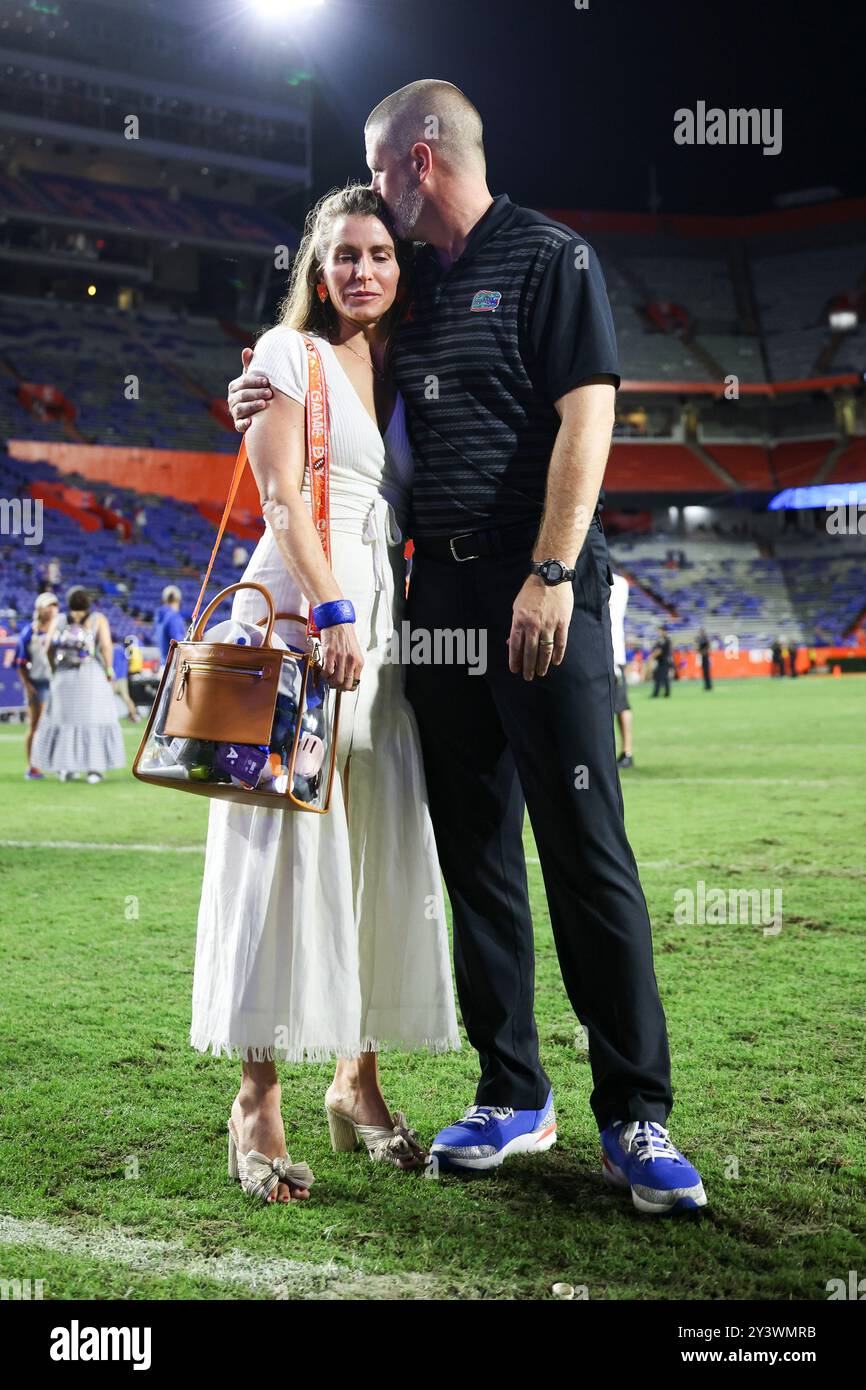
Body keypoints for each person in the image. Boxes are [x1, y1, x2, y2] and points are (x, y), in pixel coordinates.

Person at [228, 82, 706, 1214]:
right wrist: (262, 380)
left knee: (583, 842)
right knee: (471, 847)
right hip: (428, 588)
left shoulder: (552, 258)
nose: (375, 219)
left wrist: (547, 571)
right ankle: (511, 1090)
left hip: (531, 581)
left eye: (379, 169)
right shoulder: (414, 284)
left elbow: (585, 423)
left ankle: (634, 1111)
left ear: (420, 157)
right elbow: (321, 375)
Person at [195, 184, 460, 1205]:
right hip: (306, 608)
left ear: (400, 270)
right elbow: (277, 497)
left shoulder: (393, 366)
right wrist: (333, 610)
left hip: (373, 620)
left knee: (366, 845)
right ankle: (256, 1096)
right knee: (277, 845)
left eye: (380, 254)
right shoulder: (284, 353)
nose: (362, 270)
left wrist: (363, 614)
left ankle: (356, 1082)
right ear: (318, 269)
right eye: (343, 254)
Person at [32, 586, 125, 783]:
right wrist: (109, 670)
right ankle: (94, 769)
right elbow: (107, 647)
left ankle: (66, 768)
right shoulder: (98, 619)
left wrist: (54, 669)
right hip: (91, 675)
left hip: (64, 677)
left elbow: (48, 647)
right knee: (95, 720)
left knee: (64, 722)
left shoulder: (60, 620)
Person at [15, 590, 58, 779]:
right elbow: (20, 662)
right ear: (39, 609)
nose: (51, 609)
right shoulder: (30, 632)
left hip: (59, 682)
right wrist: (27, 685)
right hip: (38, 682)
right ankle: (32, 766)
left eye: (54, 605)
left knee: (60, 725)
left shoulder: (60, 630)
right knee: (35, 724)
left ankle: (59, 763)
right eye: (48, 605)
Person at [608, 572, 633, 768]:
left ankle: (626, 751)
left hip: (611, 653)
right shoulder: (622, 582)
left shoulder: (614, 583)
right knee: (620, 705)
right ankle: (626, 751)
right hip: (615, 653)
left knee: (620, 705)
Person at [154, 585, 187, 669]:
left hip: (164, 665)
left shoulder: (160, 617)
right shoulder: (173, 617)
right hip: (173, 668)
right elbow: (180, 644)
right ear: (178, 600)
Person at [651, 625, 673, 698]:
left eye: (660, 631)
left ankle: (664, 693)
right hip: (660, 661)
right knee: (659, 677)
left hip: (664, 661)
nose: (659, 632)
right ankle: (661, 693)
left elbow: (659, 651)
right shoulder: (660, 640)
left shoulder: (665, 640)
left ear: (664, 631)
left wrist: (652, 657)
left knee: (663, 677)